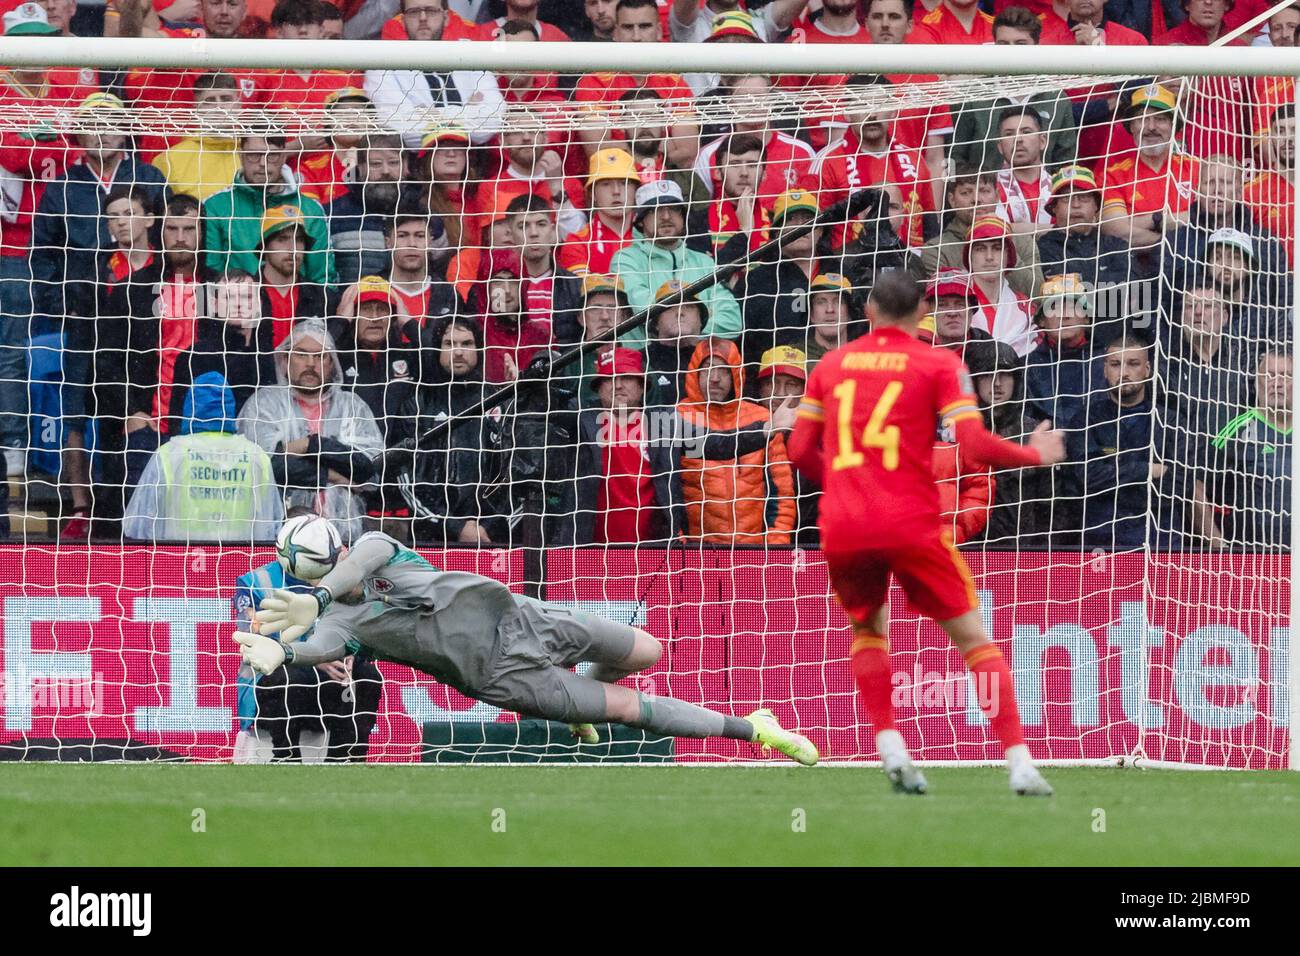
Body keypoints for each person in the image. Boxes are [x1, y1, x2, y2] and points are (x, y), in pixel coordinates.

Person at [785, 271, 1064, 796]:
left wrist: (848, 484)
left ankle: (890, 744)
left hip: (845, 525)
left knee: (868, 631)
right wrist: (1033, 453)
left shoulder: (830, 364)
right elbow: (975, 444)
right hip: (912, 522)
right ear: (921, 314)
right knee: (973, 640)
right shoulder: (940, 363)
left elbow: (798, 452)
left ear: (866, 310)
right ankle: (1019, 763)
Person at [237, 525, 820, 760]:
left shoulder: (372, 549)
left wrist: (317, 595)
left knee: (647, 651)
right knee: (628, 711)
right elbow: (321, 645)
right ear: (305, 577)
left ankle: (579, 707)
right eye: (316, 578)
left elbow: (369, 553)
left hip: (524, 618)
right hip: (500, 676)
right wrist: (286, 651)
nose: (336, 569)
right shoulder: (340, 621)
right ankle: (755, 728)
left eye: (331, 561)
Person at [230, 513, 383, 763]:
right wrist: (315, 658)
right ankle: (286, 759)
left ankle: (347, 763)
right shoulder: (257, 582)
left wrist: (353, 654)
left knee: (367, 675)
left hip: (327, 687)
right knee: (287, 678)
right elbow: (253, 644)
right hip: (271, 690)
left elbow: (365, 628)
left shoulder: (345, 581)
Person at [237, 320, 385, 540]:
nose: (311, 363)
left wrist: (306, 445)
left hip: (345, 536)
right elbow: (263, 466)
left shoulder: (352, 406)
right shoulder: (263, 404)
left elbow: (368, 466)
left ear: (332, 364)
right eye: (301, 354)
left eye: (320, 356)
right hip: (278, 533)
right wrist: (332, 474)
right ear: (285, 359)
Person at [123, 371, 284, 542]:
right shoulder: (256, 457)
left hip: (179, 563)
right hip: (241, 562)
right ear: (229, 407)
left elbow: (138, 526)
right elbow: (272, 525)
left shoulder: (169, 454)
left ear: (190, 406)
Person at [676, 337, 796, 545]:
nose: (715, 378)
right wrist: (680, 545)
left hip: (755, 552)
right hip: (697, 553)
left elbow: (781, 492)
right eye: (707, 369)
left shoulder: (763, 419)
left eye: (723, 370)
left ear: (736, 374)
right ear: (694, 373)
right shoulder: (678, 418)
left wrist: (775, 545)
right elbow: (666, 492)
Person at [611, 180, 742, 350]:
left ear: (683, 215)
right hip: (647, 366)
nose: (666, 217)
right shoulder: (625, 260)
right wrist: (701, 318)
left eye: (674, 209)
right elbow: (643, 311)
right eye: (655, 210)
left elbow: (732, 321)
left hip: (699, 365)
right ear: (641, 220)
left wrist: (686, 332)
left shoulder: (703, 262)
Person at [365, 0, 506, 147]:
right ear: (403, 19)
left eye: (431, 10)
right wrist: (467, 110)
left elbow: (492, 120)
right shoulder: (382, 63)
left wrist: (427, 114)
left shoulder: (471, 53)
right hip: (414, 165)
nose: (423, 18)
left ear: (446, 17)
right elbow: (399, 130)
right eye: (414, 12)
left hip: (471, 160)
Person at [202, 134, 335, 287]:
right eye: (253, 155)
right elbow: (209, 277)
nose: (262, 163)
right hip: (235, 306)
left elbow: (324, 280)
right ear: (240, 155)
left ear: (284, 156)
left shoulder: (310, 209)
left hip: (296, 307)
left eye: (271, 155)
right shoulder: (215, 207)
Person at [1208, 348, 1292, 551]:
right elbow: (1197, 488)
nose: (1277, 383)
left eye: (1287, 376)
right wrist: (1219, 544)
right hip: (1253, 558)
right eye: (1270, 375)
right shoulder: (1236, 431)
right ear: (1256, 382)